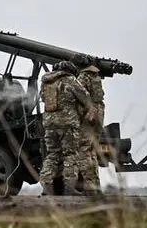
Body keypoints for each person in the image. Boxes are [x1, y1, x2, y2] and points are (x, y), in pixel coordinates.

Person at [37, 60, 94, 196]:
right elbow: (85, 97)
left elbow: (43, 98)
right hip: (67, 124)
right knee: (70, 154)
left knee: (52, 154)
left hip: (49, 123)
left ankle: (46, 187)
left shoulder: (46, 81)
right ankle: (69, 188)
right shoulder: (70, 80)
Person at [73, 62, 105, 195]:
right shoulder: (96, 76)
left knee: (84, 150)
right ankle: (96, 186)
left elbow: (81, 96)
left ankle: (90, 187)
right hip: (99, 113)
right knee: (92, 151)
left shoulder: (83, 77)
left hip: (89, 115)